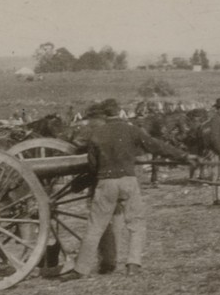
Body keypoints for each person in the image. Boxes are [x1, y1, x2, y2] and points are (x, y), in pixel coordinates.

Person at [57, 118, 196, 280]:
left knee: (95, 227)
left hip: (105, 182)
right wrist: (183, 156)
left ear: (106, 117)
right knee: (136, 223)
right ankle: (133, 264)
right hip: (128, 181)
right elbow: (156, 145)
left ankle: (81, 269)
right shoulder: (132, 130)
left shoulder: (97, 134)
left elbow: (93, 166)